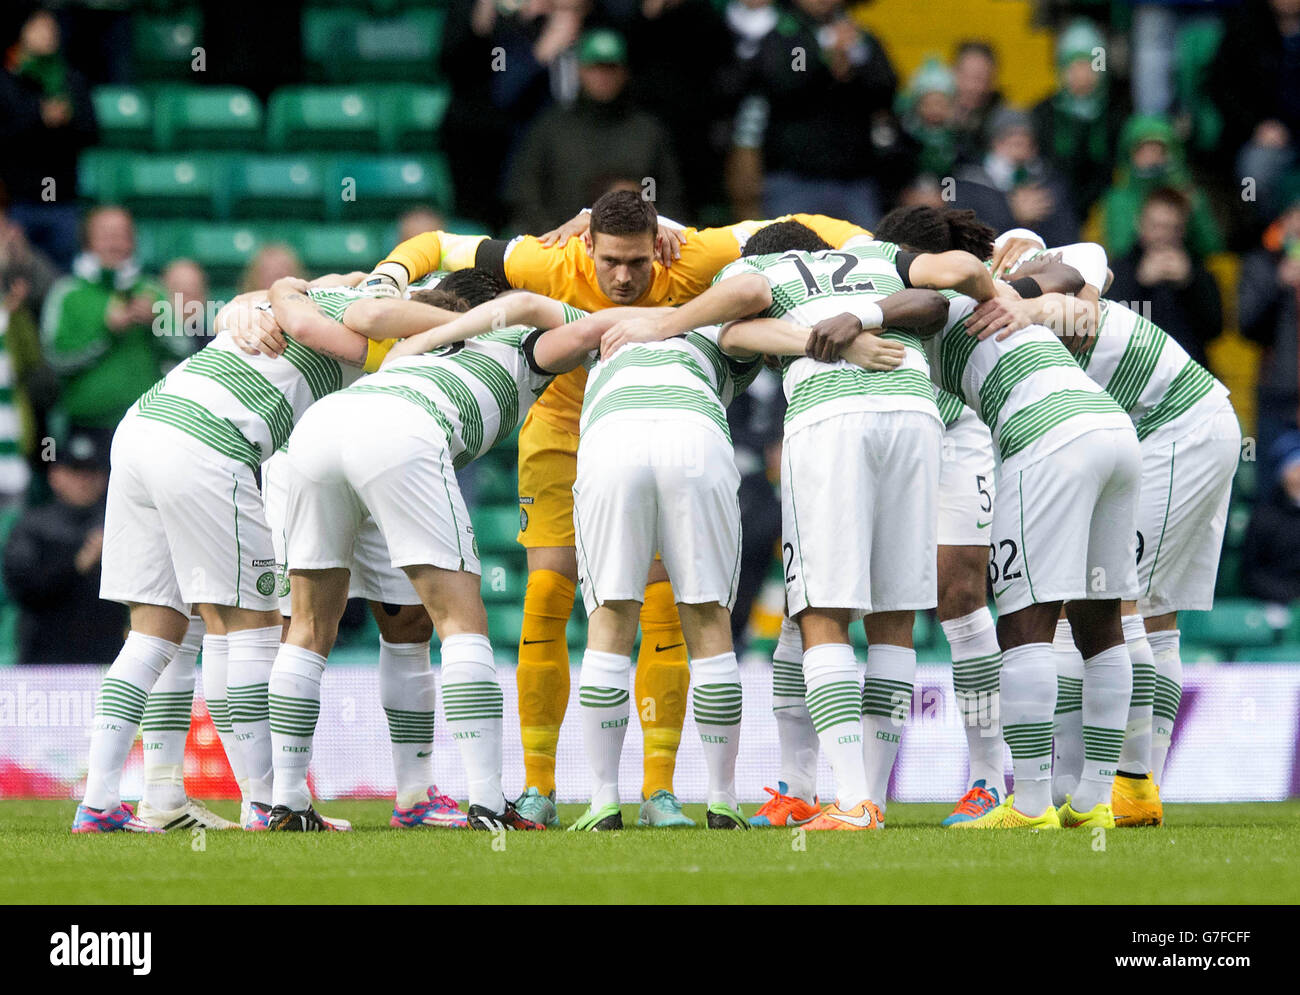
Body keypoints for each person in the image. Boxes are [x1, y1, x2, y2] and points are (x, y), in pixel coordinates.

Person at [363, 189, 871, 828]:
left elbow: (813, 224)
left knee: (662, 600)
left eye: (637, 262)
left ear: (658, 245)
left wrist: (877, 260)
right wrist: (388, 277)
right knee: (549, 593)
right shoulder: (546, 261)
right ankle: (538, 787)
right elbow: (435, 245)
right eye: (610, 262)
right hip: (560, 427)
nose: (625, 277)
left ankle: (658, 791)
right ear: (589, 247)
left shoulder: (695, 253)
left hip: (647, 420)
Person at [68, 274, 428, 834]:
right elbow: (390, 331)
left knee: (156, 630)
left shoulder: (302, 297)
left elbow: (301, 287)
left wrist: (260, 295)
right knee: (252, 627)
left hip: (143, 425)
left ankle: (100, 803)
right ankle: (267, 802)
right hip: (208, 444)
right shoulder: (374, 330)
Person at [266, 288, 618, 831]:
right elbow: (588, 327)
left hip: (317, 430)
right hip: (403, 431)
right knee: (459, 620)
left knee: (310, 625)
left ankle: (287, 802)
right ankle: (485, 801)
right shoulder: (521, 343)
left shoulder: (406, 344)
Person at [871, 206, 1141, 830]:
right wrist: (1021, 295)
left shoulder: (934, 300)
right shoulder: (986, 289)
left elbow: (1073, 262)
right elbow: (1075, 261)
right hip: (1111, 431)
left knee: (1026, 624)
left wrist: (857, 314)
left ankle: (1030, 806)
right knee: (1101, 620)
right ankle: (1096, 804)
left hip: (1043, 442)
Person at [974, 228, 1240, 826]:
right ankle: (1135, 788)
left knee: (1120, 608)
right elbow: (1086, 263)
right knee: (1153, 615)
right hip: (1178, 424)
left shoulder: (1036, 304)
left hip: (1175, 429)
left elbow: (1089, 259)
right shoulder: (1031, 299)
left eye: (1014, 256)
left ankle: (1127, 784)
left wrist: (1058, 292)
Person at [728, 0, 906, 226]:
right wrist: (825, 60)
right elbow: (783, 85)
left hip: (855, 180)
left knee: (867, 255)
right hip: (794, 179)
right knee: (788, 255)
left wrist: (855, 65)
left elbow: (887, 89)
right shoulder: (784, 35)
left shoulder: (859, 36)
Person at [506, 28, 686, 235]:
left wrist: (648, 228)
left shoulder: (649, 132)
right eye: (595, 68)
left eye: (610, 68)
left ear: (624, 72)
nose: (603, 76)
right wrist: (559, 238)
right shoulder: (550, 128)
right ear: (580, 70)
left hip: (636, 250)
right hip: (563, 249)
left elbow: (673, 201)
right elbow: (523, 195)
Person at [40, 206, 187, 436]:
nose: (115, 244)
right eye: (106, 236)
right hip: (87, 426)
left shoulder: (152, 291)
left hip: (146, 426)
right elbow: (56, 358)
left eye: (122, 235)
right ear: (88, 242)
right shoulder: (67, 293)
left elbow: (184, 352)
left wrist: (155, 325)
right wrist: (106, 332)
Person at [2, 427, 125, 664]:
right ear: (55, 475)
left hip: (108, 664)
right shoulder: (33, 526)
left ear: (105, 478)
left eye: (91, 472)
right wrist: (78, 563)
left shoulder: (120, 525)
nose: (83, 481)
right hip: (44, 666)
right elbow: (22, 589)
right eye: (75, 472)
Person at [0, 8, 98, 269]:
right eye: (39, 28)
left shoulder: (71, 80)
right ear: (22, 32)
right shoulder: (7, 82)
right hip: (20, 201)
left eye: (51, 29)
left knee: (62, 275)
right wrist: (39, 118)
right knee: (17, 273)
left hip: (63, 201)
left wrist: (66, 121)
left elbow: (92, 132)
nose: (47, 35)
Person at [1107, 187, 1225, 369]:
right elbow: (1112, 332)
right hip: (1133, 376)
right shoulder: (1119, 271)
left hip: (1188, 377)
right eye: (1156, 226)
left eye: (1171, 228)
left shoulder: (1198, 271)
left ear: (1183, 230)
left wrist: (1190, 285)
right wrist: (1140, 285)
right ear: (1140, 224)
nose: (1162, 235)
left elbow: (1214, 331)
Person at [1030, 19, 1125, 217]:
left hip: (1103, 210)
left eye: (1089, 66)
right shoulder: (1042, 113)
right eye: (1074, 66)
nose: (1082, 75)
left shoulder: (1115, 114)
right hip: (1054, 209)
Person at [1098, 114, 1223, 261]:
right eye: (1143, 151)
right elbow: (1119, 249)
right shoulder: (1118, 199)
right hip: (1134, 274)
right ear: (1130, 155)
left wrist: (1195, 212)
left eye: (1158, 151)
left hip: (1185, 271)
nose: (1151, 158)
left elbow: (1212, 247)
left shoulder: (1187, 193)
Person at [1238, 195, 1300, 487]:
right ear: (1284, 220)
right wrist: (1279, 284)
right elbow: (1247, 326)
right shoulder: (1260, 262)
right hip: (1278, 396)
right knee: (1268, 494)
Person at [954, 108, 1079, 248]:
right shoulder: (970, 182)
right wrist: (1012, 215)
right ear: (995, 143)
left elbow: (1067, 236)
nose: (1019, 151)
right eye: (1013, 143)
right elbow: (964, 235)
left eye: (1026, 143)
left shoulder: (1050, 181)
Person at [1241, 433, 1300, 605]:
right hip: (1272, 606)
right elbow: (1251, 573)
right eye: (1295, 469)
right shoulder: (1263, 517)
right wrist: (1290, 598)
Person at [898, 58, 958, 181]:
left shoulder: (957, 138)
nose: (934, 110)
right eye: (928, 104)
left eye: (940, 104)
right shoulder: (907, 137)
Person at [951, 40, 1005, 166]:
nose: (974, 87)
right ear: (952, 73)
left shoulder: (1001, 122)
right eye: (968, 77)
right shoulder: (927, 118)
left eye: (983, 79)